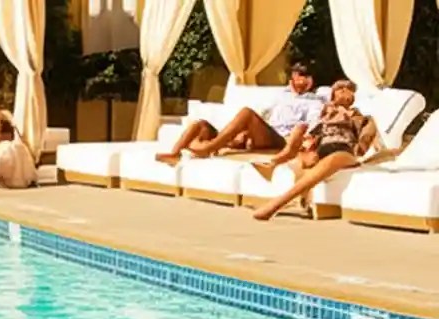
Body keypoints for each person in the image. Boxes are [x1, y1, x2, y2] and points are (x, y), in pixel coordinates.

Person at [252, 79, 388, 221]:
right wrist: (308, 146)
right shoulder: (322, 116)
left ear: (353, 97)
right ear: (333, 96)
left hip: (344, 150)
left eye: (348, 89)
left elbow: (368, 144)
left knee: (330, 160)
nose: (343, 90)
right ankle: (297, 191)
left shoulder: (364, 119)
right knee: (303, 146)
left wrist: (350, 121)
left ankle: (276, 204)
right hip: (321, 148)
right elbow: (310, 135)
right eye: (339, 89)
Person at [155, 63, 322, 166]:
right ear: (292, 77)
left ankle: (209, 148)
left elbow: (313, 124)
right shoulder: (280, 94)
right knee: (201, 125)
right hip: (264, 132)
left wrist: (303, 141)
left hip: (281, 138)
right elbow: (264, 115)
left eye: (307, 77)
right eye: (300, 75)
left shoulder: (314, 101)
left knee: (246, 113)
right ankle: (175, 153)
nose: (303, 80)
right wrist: (247, 131)